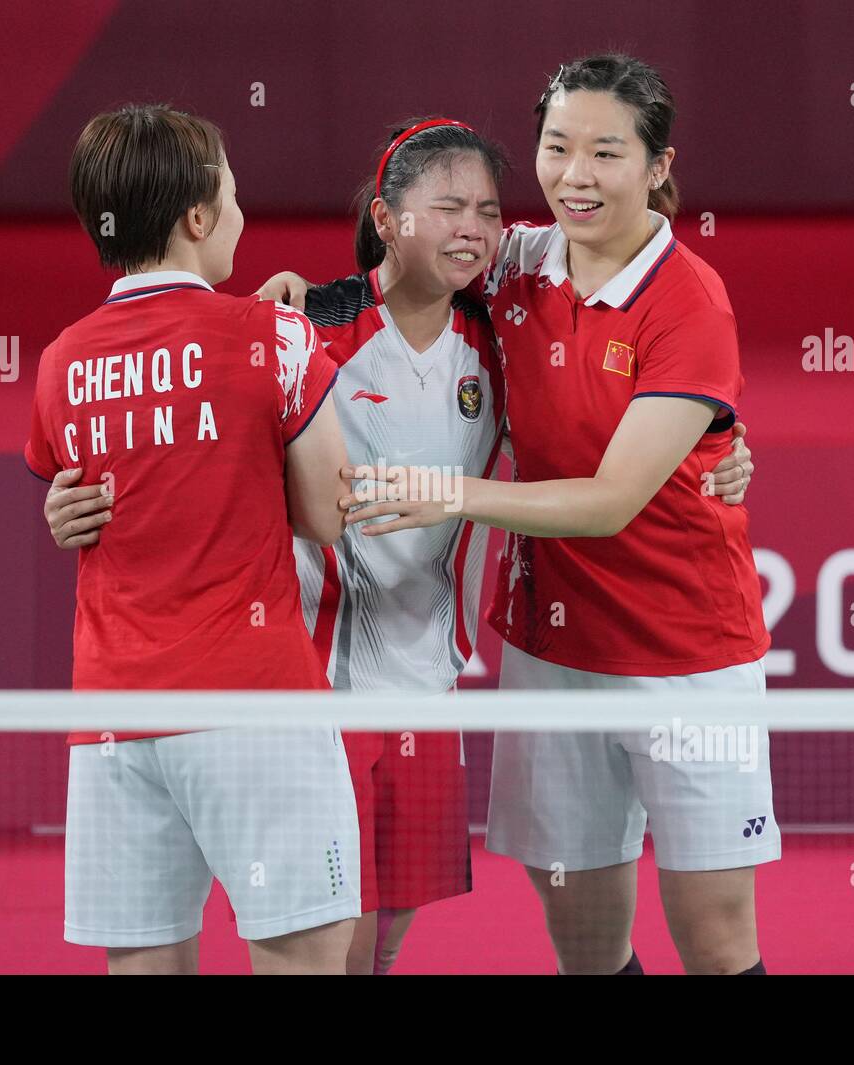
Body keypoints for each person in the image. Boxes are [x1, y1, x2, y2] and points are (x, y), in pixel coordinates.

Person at [45, 111, 755, 976]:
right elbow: (191, 431)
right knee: (326, 949)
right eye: (448, 207)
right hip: (320, 692)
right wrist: (70, 500)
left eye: (490, 212)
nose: (475, 229)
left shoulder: (501, 341)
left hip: (426, 690)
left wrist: (721, 448)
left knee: (379, 945)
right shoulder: (309, 330)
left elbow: (617, 404)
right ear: (387, 221)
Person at [343, 54, 777, 976]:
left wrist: (444, 493)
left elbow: (612, 501)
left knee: (716, 938)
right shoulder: (520, 263)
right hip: (553, 651)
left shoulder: (688, 302)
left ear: (659, 165)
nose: (575, 176)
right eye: (556, 147)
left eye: (606, 153)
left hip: (685, 655)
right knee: (584, 942)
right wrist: (300, 300)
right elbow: (411, 261)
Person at [24, 104, 359, 975]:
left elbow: (86, 490)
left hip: (114, 724)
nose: (244, 215)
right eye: (236, 196)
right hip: (257, 713)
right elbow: (328, 513)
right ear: (198, 217)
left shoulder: (61, 360)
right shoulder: (274, 336)